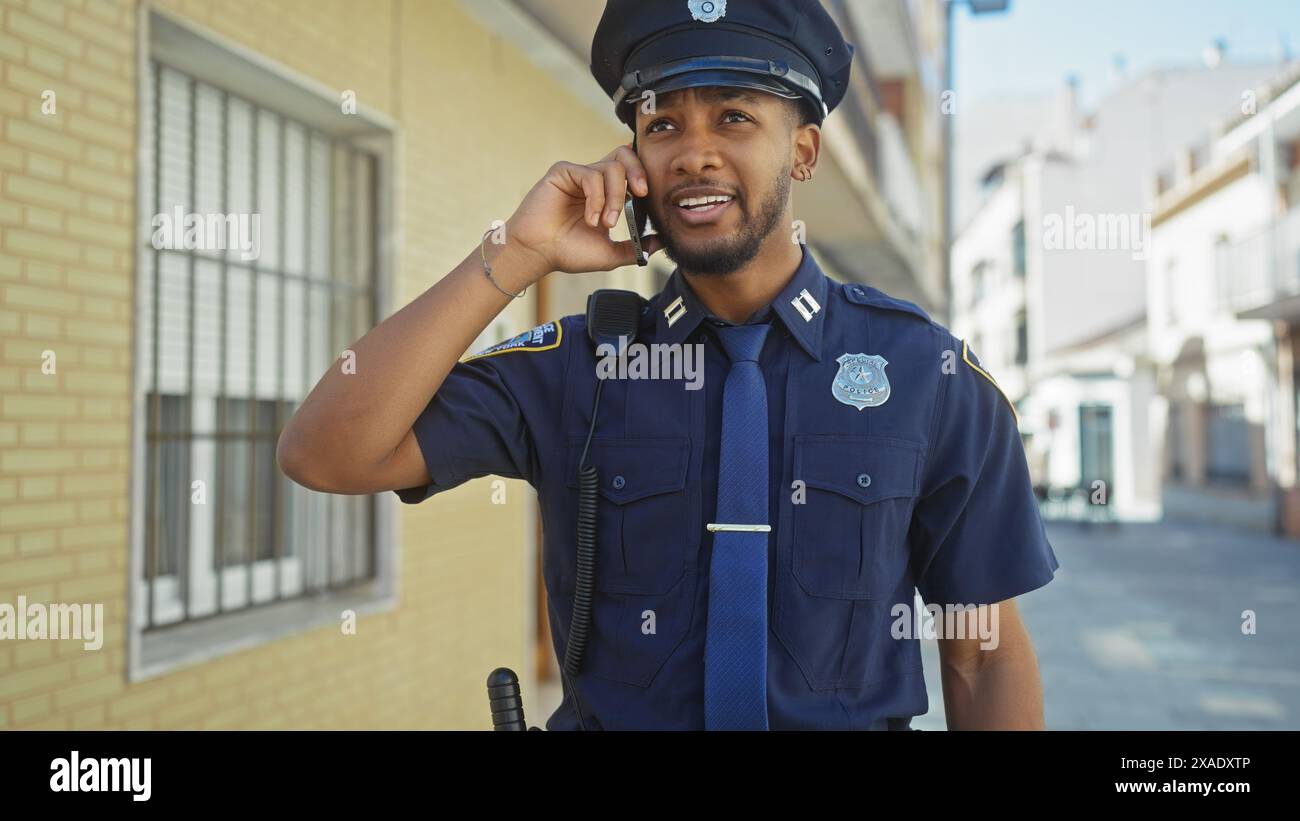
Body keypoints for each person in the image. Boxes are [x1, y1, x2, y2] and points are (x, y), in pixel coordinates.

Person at [277, 0, 1059, 730]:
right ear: (637, 156)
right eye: (663, 124)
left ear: (805, 150)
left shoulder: (927, 373)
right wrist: (515, 255)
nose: (694, 153)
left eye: (735, 117)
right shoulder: (580, 364)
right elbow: (327, 451)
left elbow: (980, 648)